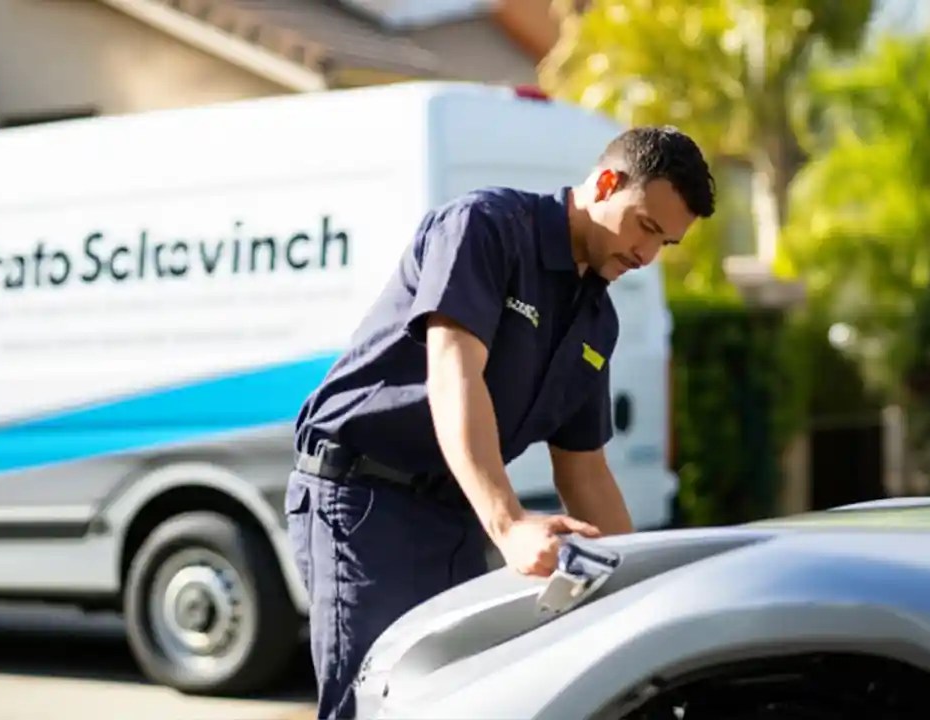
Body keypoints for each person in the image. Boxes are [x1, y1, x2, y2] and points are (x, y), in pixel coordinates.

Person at [284, 125, 716, 718]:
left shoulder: (597, 320)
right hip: (361, 497)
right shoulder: (484, 227)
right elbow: (453, 376)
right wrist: (510, 524)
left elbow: (585, 472)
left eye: (664, 244)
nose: (645, 256)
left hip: (454, 515)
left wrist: (641, 589)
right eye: (645, 226)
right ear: (607, 182)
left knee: (452, 704)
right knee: (376, 705)